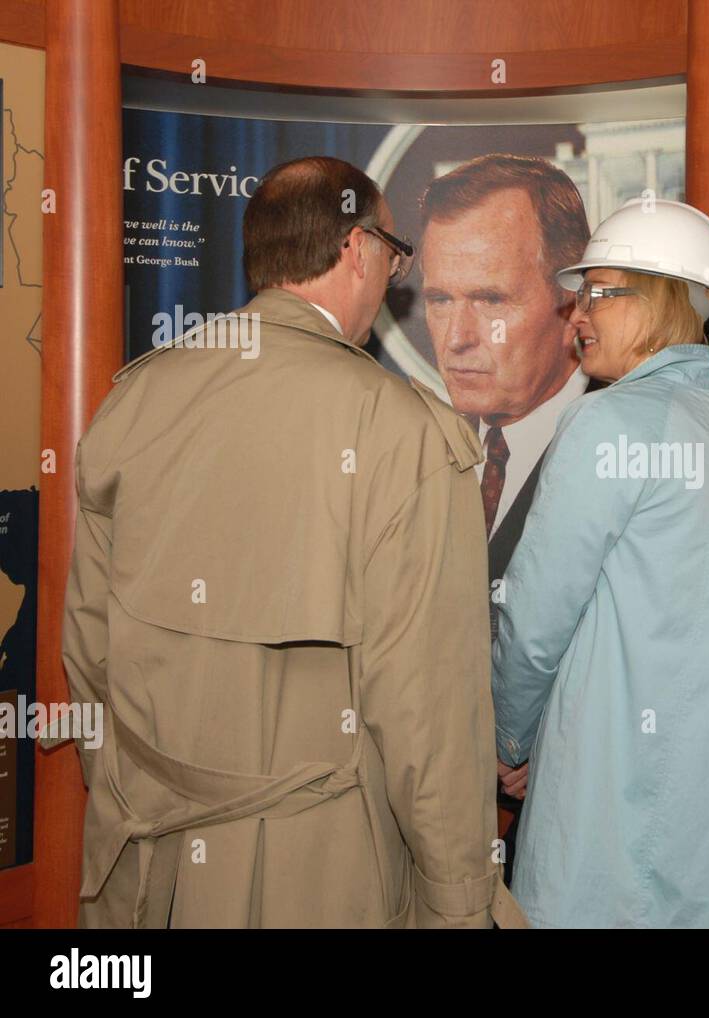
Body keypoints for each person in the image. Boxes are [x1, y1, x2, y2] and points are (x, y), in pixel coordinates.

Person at [61, 156, 521, 928]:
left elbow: (90, 653)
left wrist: (143, 787)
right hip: (319, 877)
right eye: (394, 253)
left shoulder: (135, 398)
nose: (391, 275)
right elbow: (427, 716)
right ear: (356, 248)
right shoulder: (403, 432)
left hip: (148, 868)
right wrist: (462, 905)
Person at [491, 198, 709, 927]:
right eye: (579, 295)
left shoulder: (608, 423)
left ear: (663, 299)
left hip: (617, 809)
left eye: (601, 291)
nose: (579, 316)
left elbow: (535, 620)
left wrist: (508, 737)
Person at [418, 154, 595, 861]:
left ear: (571, 303)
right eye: (438, 299)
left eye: (491, 300)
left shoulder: (629, 460)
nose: (458, 337)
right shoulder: (417, 449)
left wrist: (550, 741)